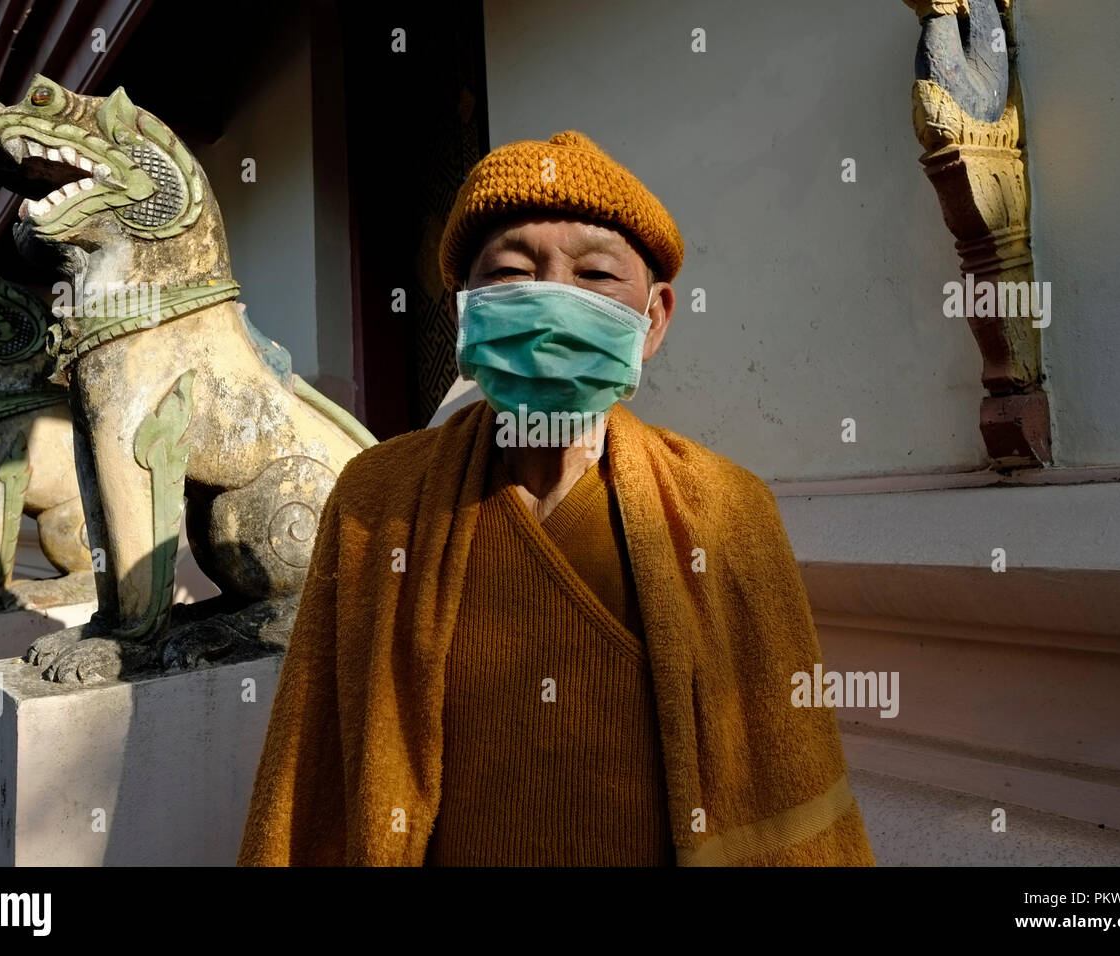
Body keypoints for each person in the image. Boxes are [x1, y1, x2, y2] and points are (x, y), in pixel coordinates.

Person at [238, 130, 875, 866]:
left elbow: (789, 779)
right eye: (511, 271)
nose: (551, 301)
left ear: (655, 318)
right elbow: (309, 764)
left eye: (598, 276)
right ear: (463, 311)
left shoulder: (728, 510)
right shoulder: (379, 501)